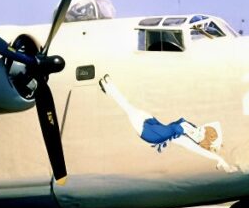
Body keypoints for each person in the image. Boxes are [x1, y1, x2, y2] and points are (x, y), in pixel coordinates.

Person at [99, 74, 237, 173]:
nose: (201, 129)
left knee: (129, 109)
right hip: (155, 124)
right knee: (132, 109)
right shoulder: (192, 129)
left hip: (150, 134)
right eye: (204, 129)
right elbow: (215, 125)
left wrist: (221, 160)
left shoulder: (187, 140)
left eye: (203, 133)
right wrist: (215, 140)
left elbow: (204, 152)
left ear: (202, 140)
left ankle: (109, 87)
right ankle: (109, 89)